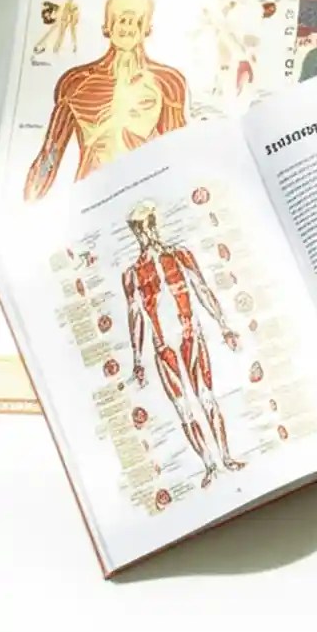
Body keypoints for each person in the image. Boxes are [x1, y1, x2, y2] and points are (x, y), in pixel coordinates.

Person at [122, 202, 244, 489]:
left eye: (150, 224)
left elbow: (201, 289)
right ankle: (209, 465)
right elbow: (135, 315)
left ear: (155, 223)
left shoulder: (180, 255)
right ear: (135, 233)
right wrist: (138, 359)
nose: (147, 233)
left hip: (191, 336)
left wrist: (223, 325)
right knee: (183, 409)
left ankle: (226, 457)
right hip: (163, 347)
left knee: (207, 398)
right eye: (141, 228)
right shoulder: (132, 274)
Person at [24, 0, 187, 201]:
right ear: (106, 26)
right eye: (120, 18)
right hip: (91, 201)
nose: (127, 24)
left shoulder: (168, 82)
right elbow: (49, 155)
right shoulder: (75, 82)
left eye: (136, 19)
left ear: (148, 28)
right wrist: (26, 209)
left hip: (146, 198)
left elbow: (179, 152)